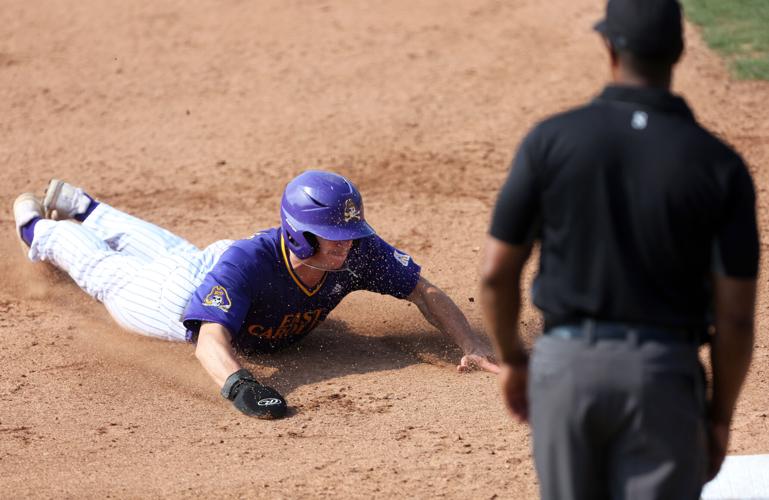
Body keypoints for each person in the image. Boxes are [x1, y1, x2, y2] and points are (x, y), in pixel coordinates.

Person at [481, 0, 759, 498]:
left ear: (608, 46)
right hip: (663, 378)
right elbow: (736, 319)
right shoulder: (720, 165)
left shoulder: (550, 140)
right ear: (677, 51)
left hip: (566, 372)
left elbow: (496, 276)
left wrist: (514, 360)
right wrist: (718, 418)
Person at [12, 170, 499, 419]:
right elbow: (209, 341)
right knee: (111, 274)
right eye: (330, 233)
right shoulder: (251, 261)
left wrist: (470, 345)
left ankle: (85, 208)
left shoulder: (356, 251)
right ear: (298, 235)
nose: (345, 242)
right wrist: (241, 386)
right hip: (175, 296)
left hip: (215, 263)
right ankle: (38, 228)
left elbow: (424, 292)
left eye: (349, 230)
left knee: (173, 249)